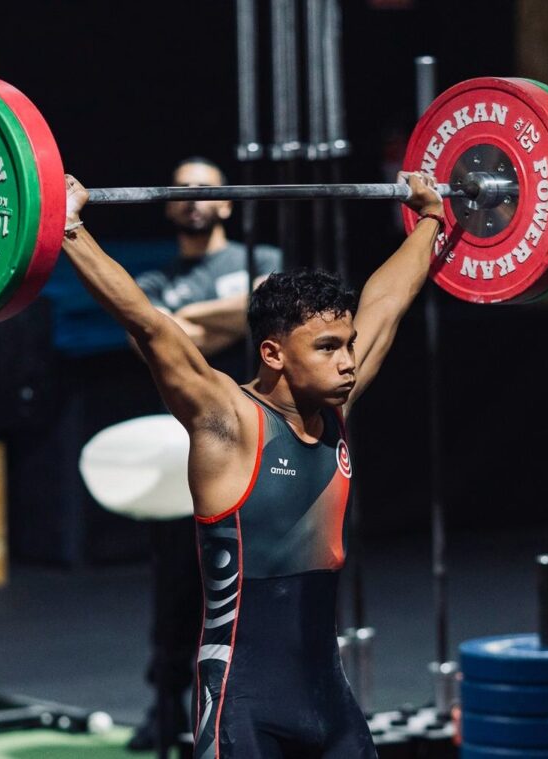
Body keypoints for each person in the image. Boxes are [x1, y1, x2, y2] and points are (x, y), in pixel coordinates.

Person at [62, 169, 444, 757]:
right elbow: (148, 324)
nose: (348, 361)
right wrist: (69, 229)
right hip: (244, 709)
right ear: (273, 354)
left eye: (347, 346)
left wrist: (432, 219)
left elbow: (388, 302)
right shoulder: (227, 420)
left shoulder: (333, 402)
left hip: (331, 704)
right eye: (328, 348)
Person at [127, 158, 282, 751]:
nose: (194, 200)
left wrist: (181, 323)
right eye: (182, 192)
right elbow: (156, 342)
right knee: (177, 585)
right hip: (187, 454)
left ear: (227, 203)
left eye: (206, 191)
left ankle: (255, 708)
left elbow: (266, 313)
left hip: (260, 444)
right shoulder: (153, 278)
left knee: (261, 582)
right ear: (169, 207)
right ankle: (166, 706)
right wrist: (237, 316)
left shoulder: (261, 261)